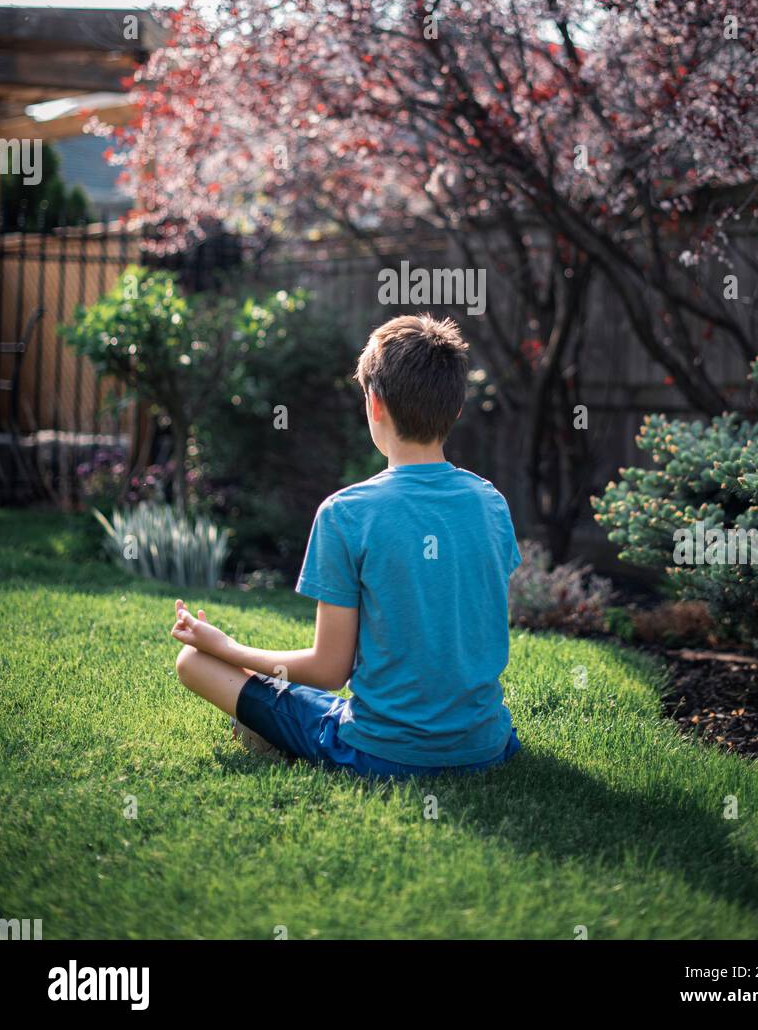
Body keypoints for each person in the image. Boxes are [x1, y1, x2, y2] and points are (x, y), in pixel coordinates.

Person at [172, 312, 522, 779]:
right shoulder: (491, 503)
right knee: (308, 699)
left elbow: (328, 670)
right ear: (456, 408)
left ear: (374, 404)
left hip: (379, 753)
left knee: (194, 661)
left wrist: (228, 647)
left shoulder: (345, 513)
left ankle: (269, 727)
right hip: (488, 745)